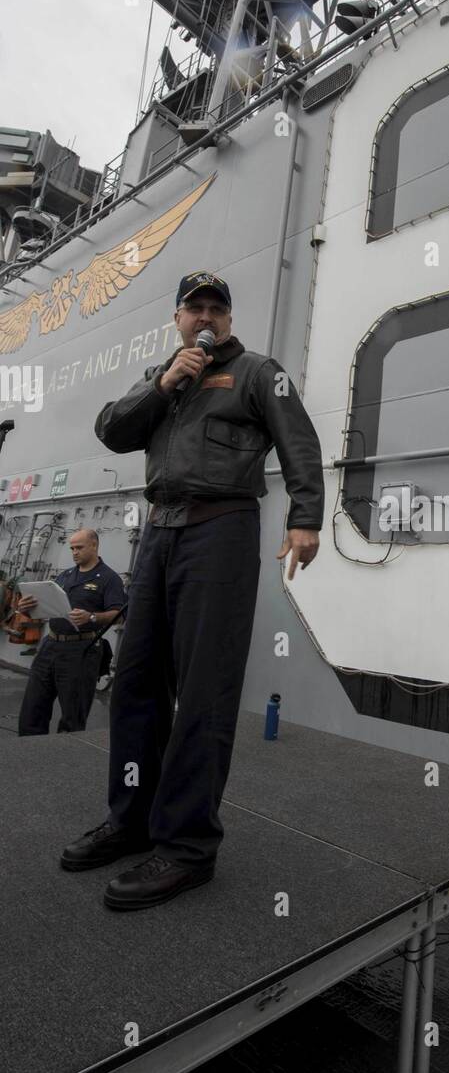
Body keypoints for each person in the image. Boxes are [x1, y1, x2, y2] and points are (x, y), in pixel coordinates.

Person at [60, 271, 325, 911]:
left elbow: (301, 444)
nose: (205, 317)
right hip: (159, 535)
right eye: (194, 308)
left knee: (204, 688)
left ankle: (186, 847)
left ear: (229, 318)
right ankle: (133, 821)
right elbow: (112, 430)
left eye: (216, 308)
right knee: (138, 682)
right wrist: (164, 383)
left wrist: (305, 518)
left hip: (221, 531)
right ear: (178, 319)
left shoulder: (260, 373)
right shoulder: (165, 375)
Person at [16, 529, 125, 735]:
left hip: (81, 650)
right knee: (32, 709)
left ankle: (65, 759)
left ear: (94, 545)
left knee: (72, 715)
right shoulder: (65, 575)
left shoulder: (109, 579)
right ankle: (29, 755)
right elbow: (47, 609)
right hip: (51, 646)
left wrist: (92, 617)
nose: (74, 552)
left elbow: (119, 615)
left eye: (79, 547)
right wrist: (27, 608)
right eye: (72, 548)